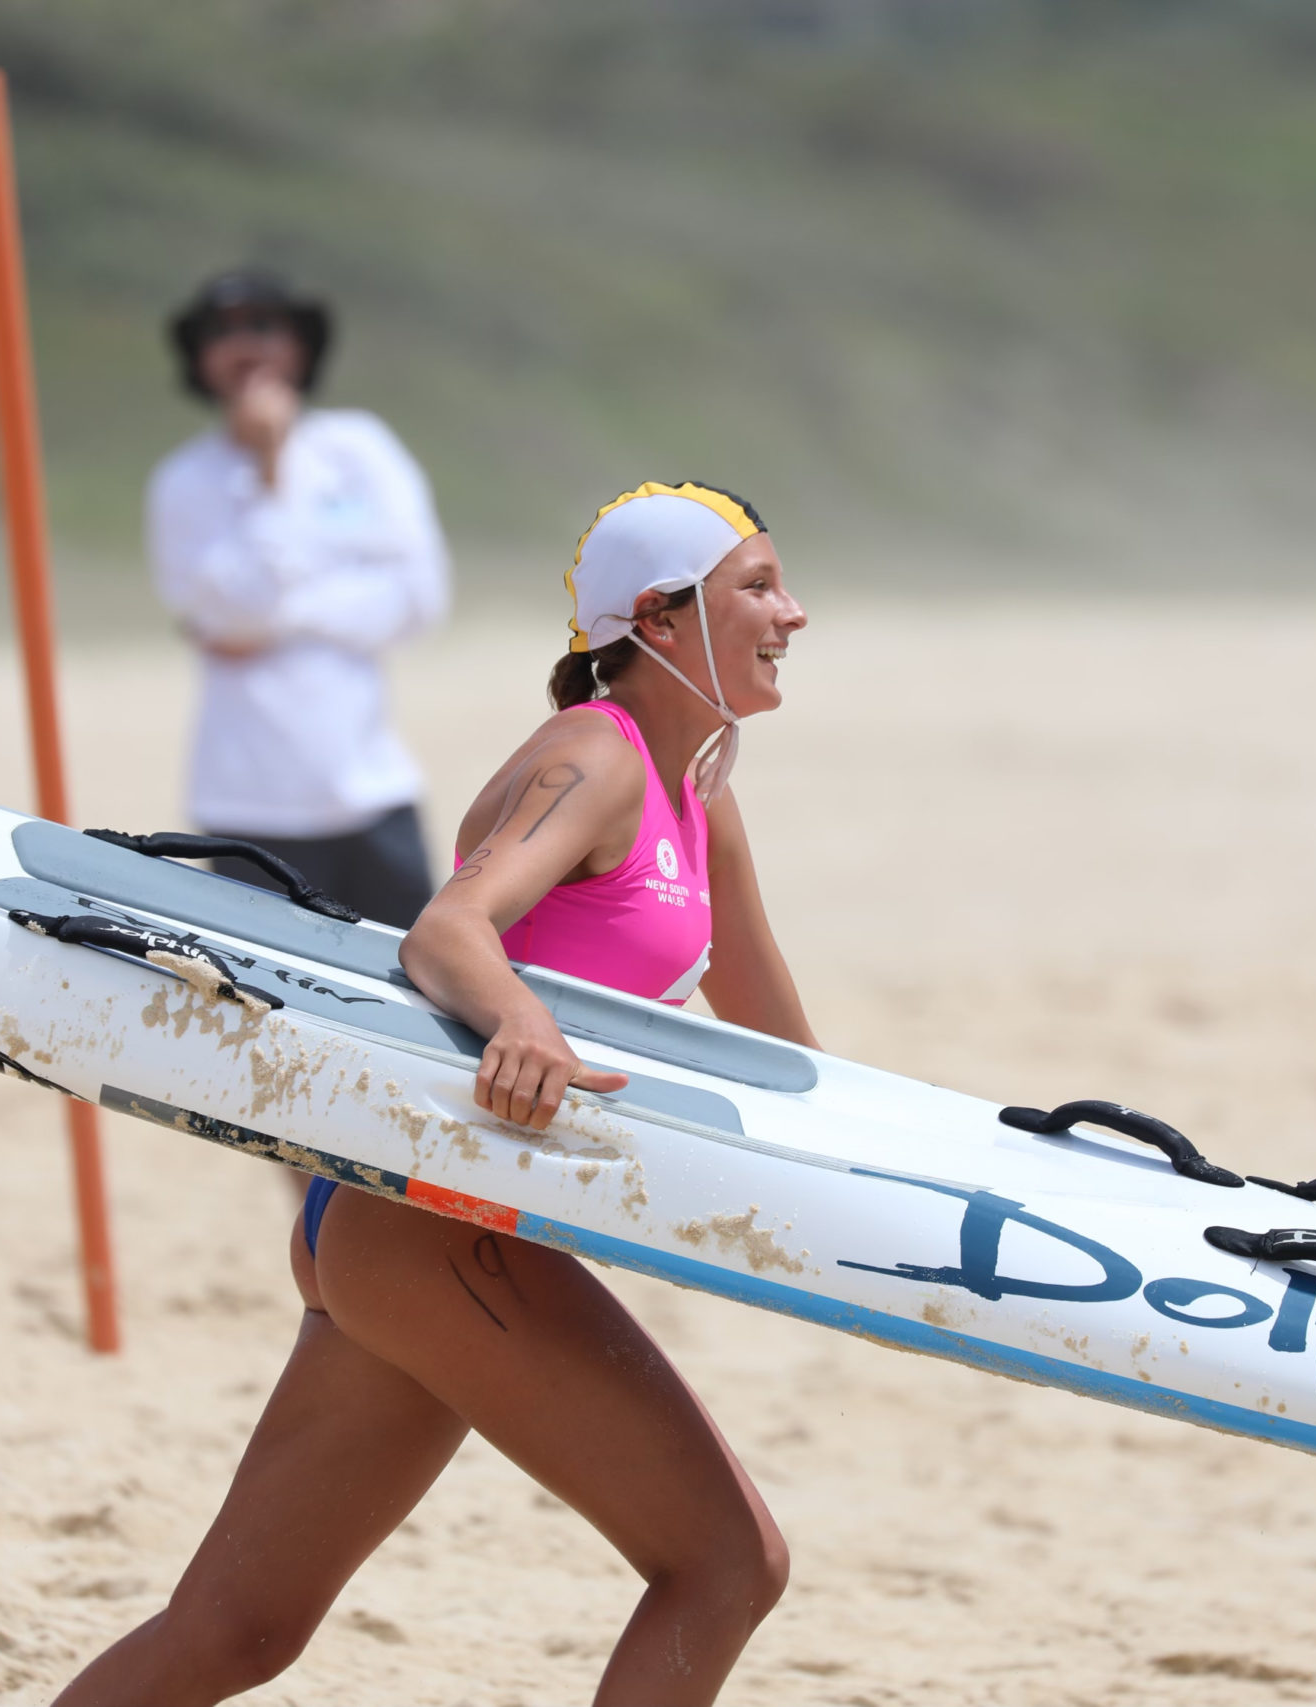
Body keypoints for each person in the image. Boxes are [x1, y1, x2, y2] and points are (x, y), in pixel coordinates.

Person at [59, 481, 811, 1707]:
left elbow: (787, 1050)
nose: (792, 612)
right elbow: (448, 930)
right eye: (758, 587)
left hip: (410, 1226)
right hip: (435, 1223)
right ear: (661, 620)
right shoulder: (594, 759)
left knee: (238, 1631)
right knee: (726, 1563)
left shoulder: (697, 797)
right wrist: (517, 1015)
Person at [149, 267, 450, 927]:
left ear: (301, 346)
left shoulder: (359, 448)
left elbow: (419, 598)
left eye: (265, 326)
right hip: (246, 804)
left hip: (369, 786)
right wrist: (270, 467)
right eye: (223, 332)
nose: (246, 346)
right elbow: (236, 612)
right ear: (199, 356)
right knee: (261, 1009)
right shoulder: (183, 481)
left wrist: (286, 617)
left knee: (411, 988)